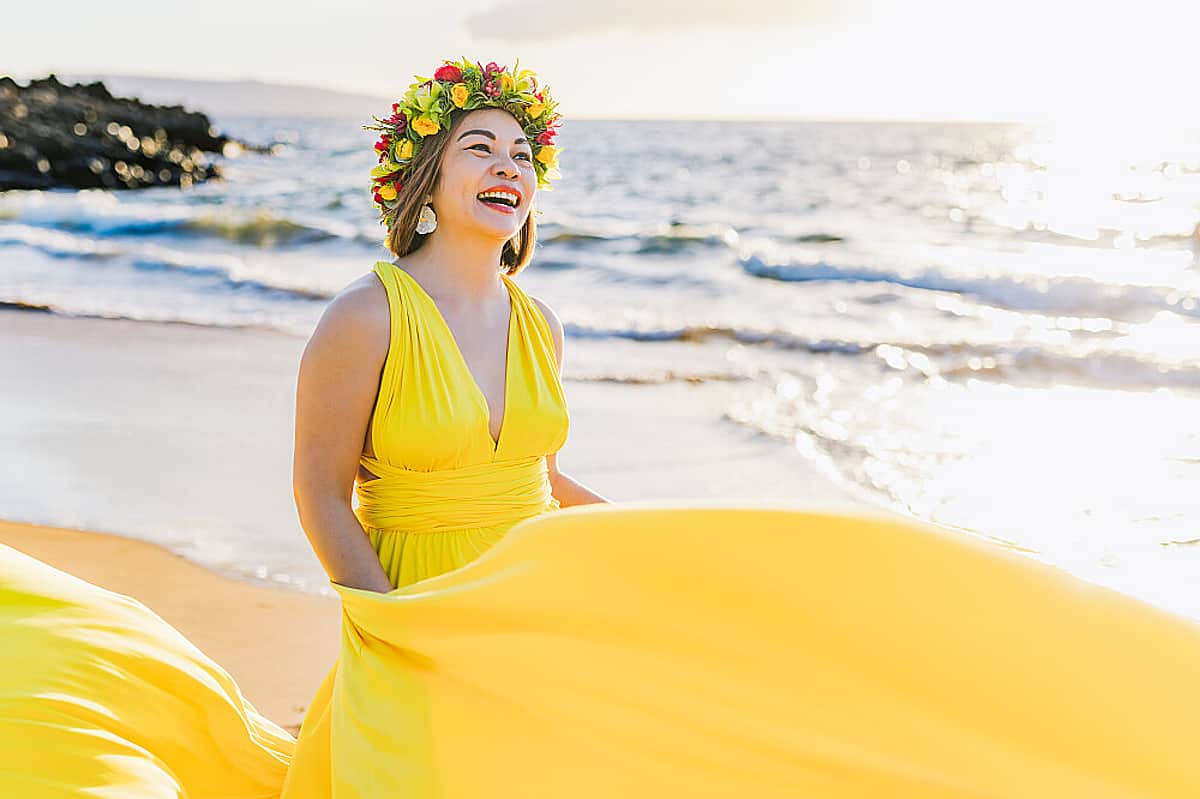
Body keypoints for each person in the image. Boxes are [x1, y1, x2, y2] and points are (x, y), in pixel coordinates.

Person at [4, 58, 1200, 798]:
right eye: (479, 147)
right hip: (415, 599)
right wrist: (382, 613)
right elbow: (319, 489)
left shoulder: (541, 323)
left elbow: (542, 473)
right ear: (426, 179)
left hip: (535, 590)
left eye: (523, 154)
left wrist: (649, 548)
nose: (508, 166)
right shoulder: (362, 317)